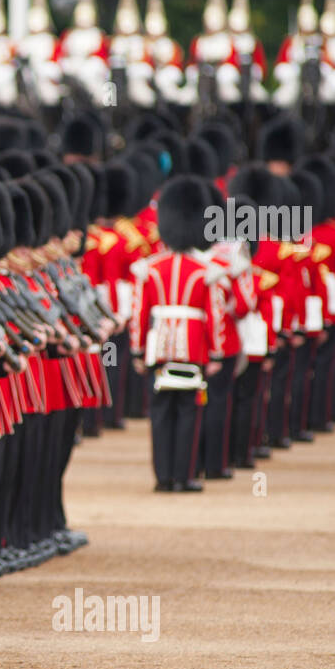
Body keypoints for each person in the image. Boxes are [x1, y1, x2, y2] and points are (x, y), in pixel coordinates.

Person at [131, 176, 223, 491]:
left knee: (159, 412)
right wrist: (216, 352)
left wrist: (137, 351)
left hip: (158, 347)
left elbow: (139, 315)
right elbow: (215, 316)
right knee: (188, 412)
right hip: (193, 348)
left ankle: (163, 477)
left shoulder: (150, 269)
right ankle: (183, 476)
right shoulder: (205, 271)